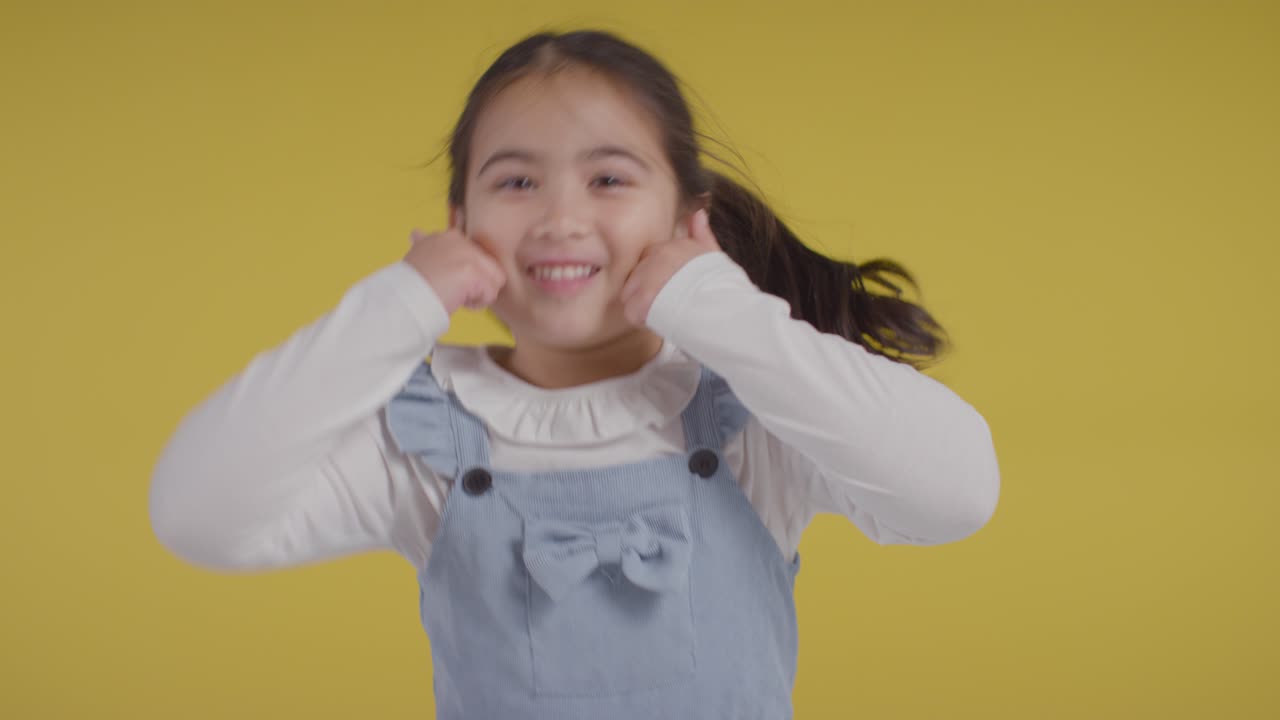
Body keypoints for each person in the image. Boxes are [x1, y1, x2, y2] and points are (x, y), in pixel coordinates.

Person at [149, 28, 1000, 720]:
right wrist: (396, 305)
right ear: (461, 223)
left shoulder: (751, 411)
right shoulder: (426, 435)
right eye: (516, 180)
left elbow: (953, 493)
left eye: (608, 178)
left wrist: (721, 308)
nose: (561, 217)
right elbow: (198, 514)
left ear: (684, 221)